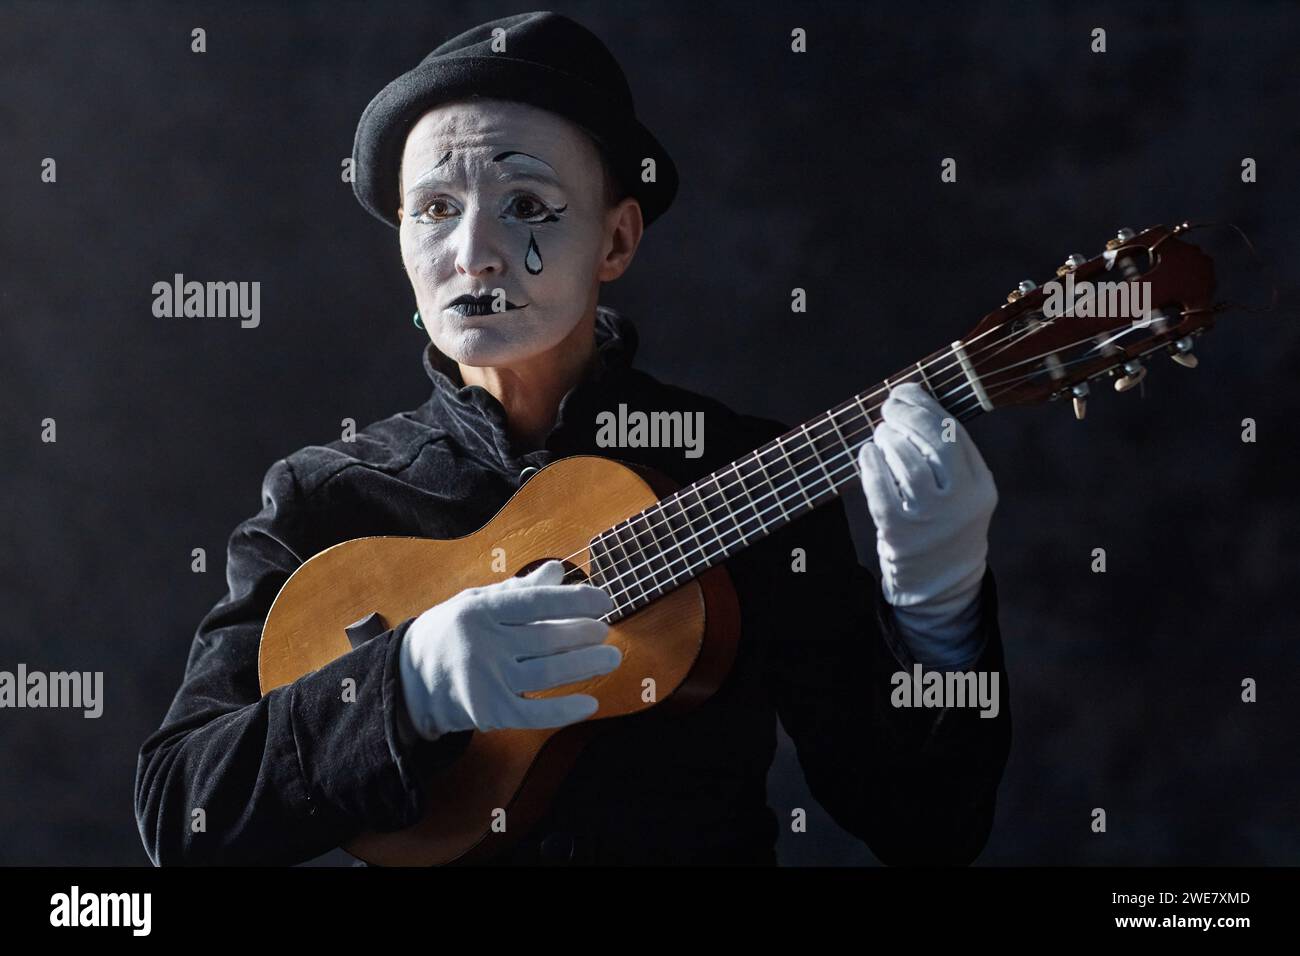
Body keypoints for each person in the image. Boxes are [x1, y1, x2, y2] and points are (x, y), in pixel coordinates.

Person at [134, 11, 1011, 867]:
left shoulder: (743, 468)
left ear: (616, 239)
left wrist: (939, 615)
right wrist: (403, 688)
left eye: (527, 204)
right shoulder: (326, 497)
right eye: (435, 207)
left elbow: (928, 827)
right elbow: (183, 815)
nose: (474, 252)